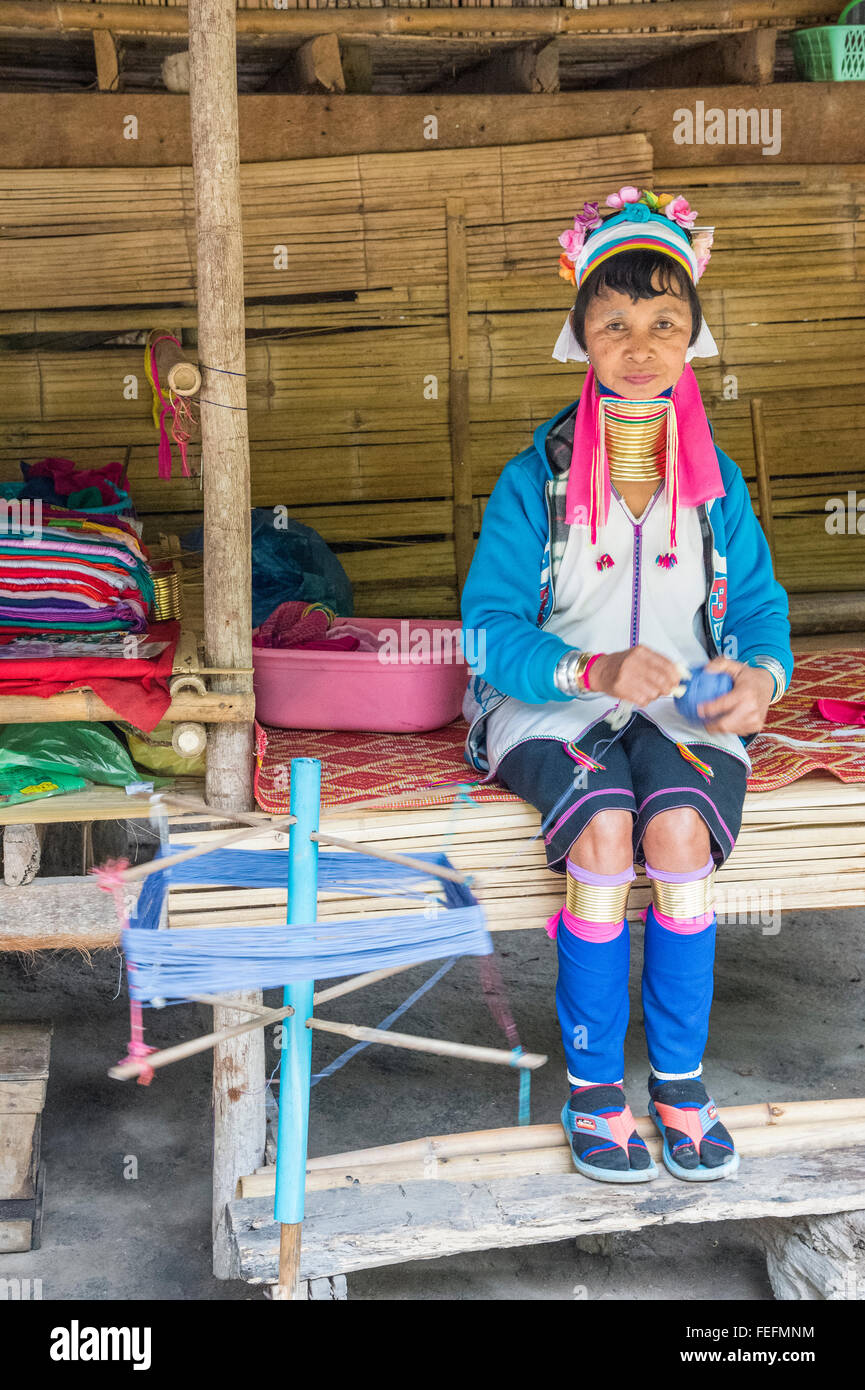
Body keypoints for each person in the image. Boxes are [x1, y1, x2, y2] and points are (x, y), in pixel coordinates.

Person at [460, 187, 793, 1183]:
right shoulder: (538, 481)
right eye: (613, 324)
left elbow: (763, 611)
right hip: (551, 702)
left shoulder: (716, 485)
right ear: (579, 338)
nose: (639, 345)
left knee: (677, 835)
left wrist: (759, 681)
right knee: (605, 827)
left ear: (692, 337)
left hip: (679, 705)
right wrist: (585, 667)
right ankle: (597, 1091)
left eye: (662, 323)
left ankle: (681, 1087)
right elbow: (486, 630)